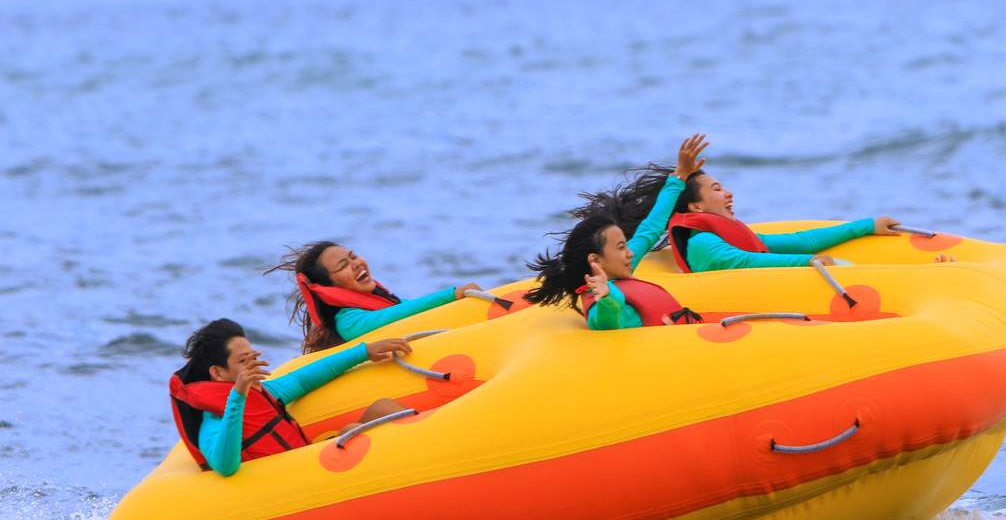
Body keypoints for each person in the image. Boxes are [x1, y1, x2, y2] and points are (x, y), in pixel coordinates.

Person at [168, 318, 412, 476]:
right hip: (296, 485)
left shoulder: (265, 393)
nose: (253, 364)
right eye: (244, 361)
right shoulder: (212, 425)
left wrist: (364, 351)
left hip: (312, 462)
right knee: (352, 431)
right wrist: (238, 395)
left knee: (381, 408)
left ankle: (427, 456)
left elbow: (302, 379)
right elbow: (225, 465)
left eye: (253, 356)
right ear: (218, 372)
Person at [525, 135, 709, 329]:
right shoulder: (598, 302)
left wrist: (680, 175)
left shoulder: (620, 269)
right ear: (596, 261)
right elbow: (606, 323)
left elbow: (650, 229)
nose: (630, 252)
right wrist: (607, 297)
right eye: (621, 247)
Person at [665, 171, 901, 272]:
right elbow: (745, 261)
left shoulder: (725, 236)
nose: (729, 193)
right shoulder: (702, 243)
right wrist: (809, 262)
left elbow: (801, 241)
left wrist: (867, 226)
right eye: (717, 189)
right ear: (696, 207)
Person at [266, 243, 482, 353]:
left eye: (353, 256)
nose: (357, 263)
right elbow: (395, 317)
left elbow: (407, 309)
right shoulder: (348, 322)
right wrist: (451, 295)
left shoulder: (384, 301)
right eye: (343, 265)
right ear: (328, 288)